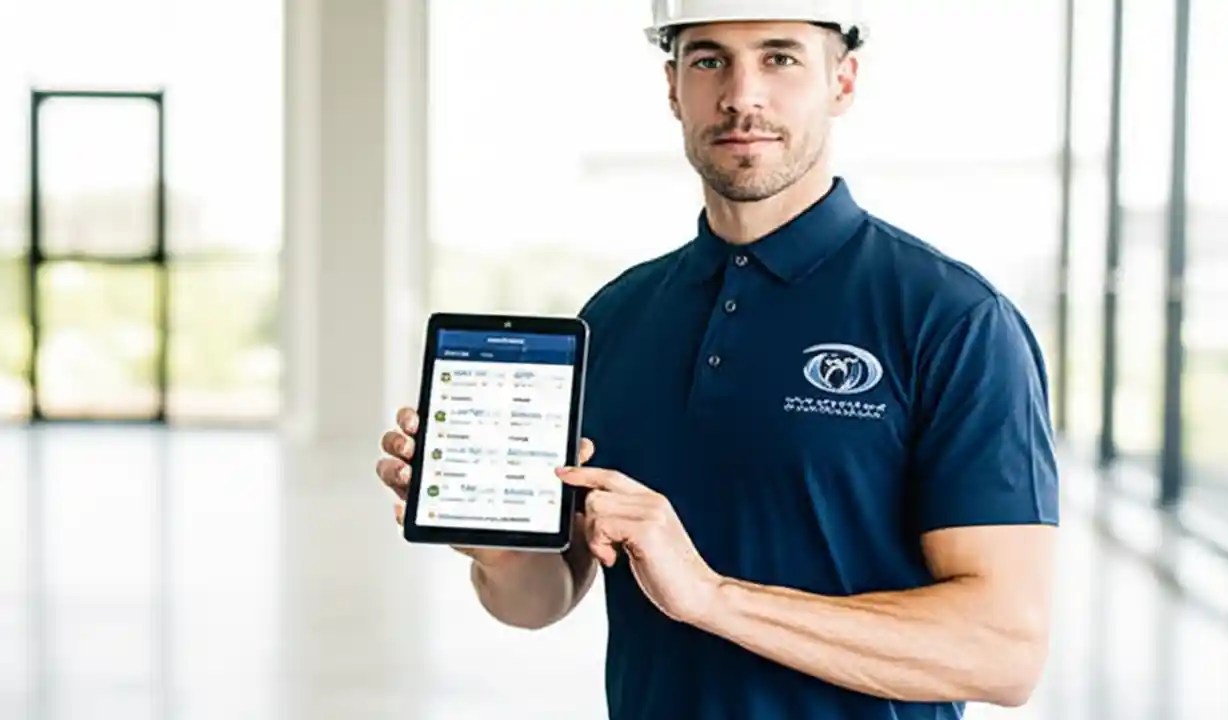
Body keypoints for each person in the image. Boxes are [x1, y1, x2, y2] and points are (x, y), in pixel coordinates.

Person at [376, 1, 1059, 717]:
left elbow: (1003, 652)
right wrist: (496, 546)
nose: (741, 94)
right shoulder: (617, 315)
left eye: (779, 57)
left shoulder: (953, 319)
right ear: (673, 87)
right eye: (708, 60)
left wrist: (711, 597)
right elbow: (542, 599)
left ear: (843, 81)